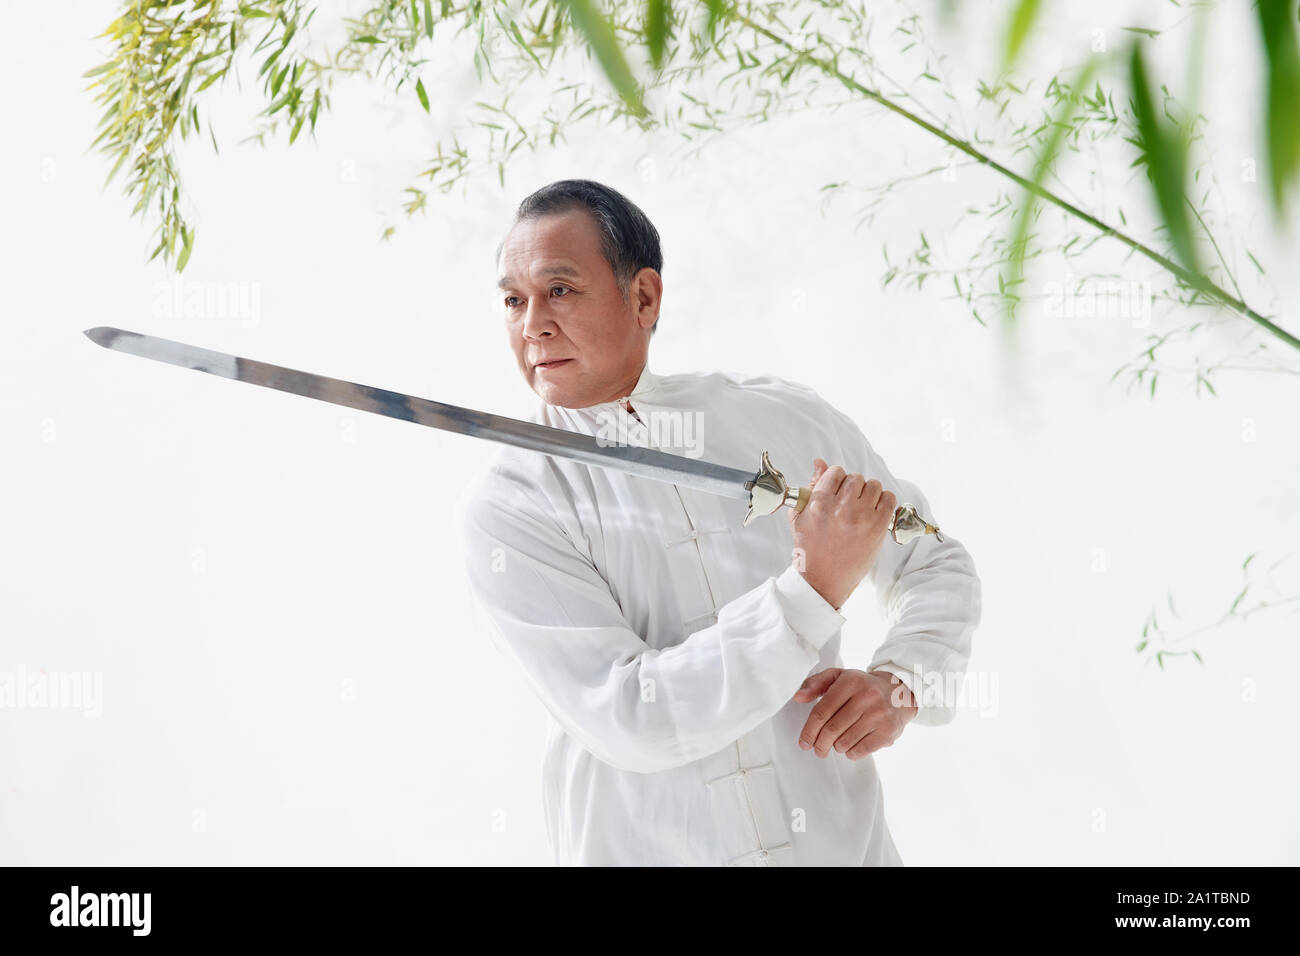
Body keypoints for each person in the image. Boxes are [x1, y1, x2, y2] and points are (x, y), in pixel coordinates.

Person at [456, 178, 982, 866]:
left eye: (559, 290)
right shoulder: (511, 506)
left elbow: (933, 559)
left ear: (644, 297)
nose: (533, 325)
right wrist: (810, 591)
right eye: (513, 300)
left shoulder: (787, 421)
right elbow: (631, 718)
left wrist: (905, 680)